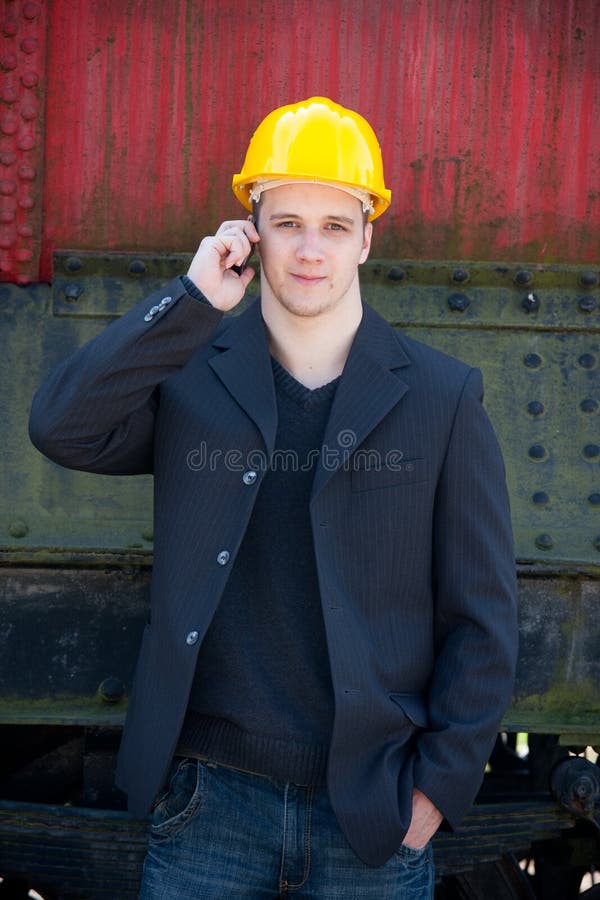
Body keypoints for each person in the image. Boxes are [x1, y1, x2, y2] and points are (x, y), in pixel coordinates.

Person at [29, 97, 518, 898]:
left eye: (335, 224)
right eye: (287, 222)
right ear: (250, 232)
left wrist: (437, 791)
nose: (311, 249)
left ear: (368, 235)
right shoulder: (193, 378)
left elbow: (482, 618)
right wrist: (189, 303)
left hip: (371, 814)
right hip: (209, 807)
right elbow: (61, 426)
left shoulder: (441, 397)